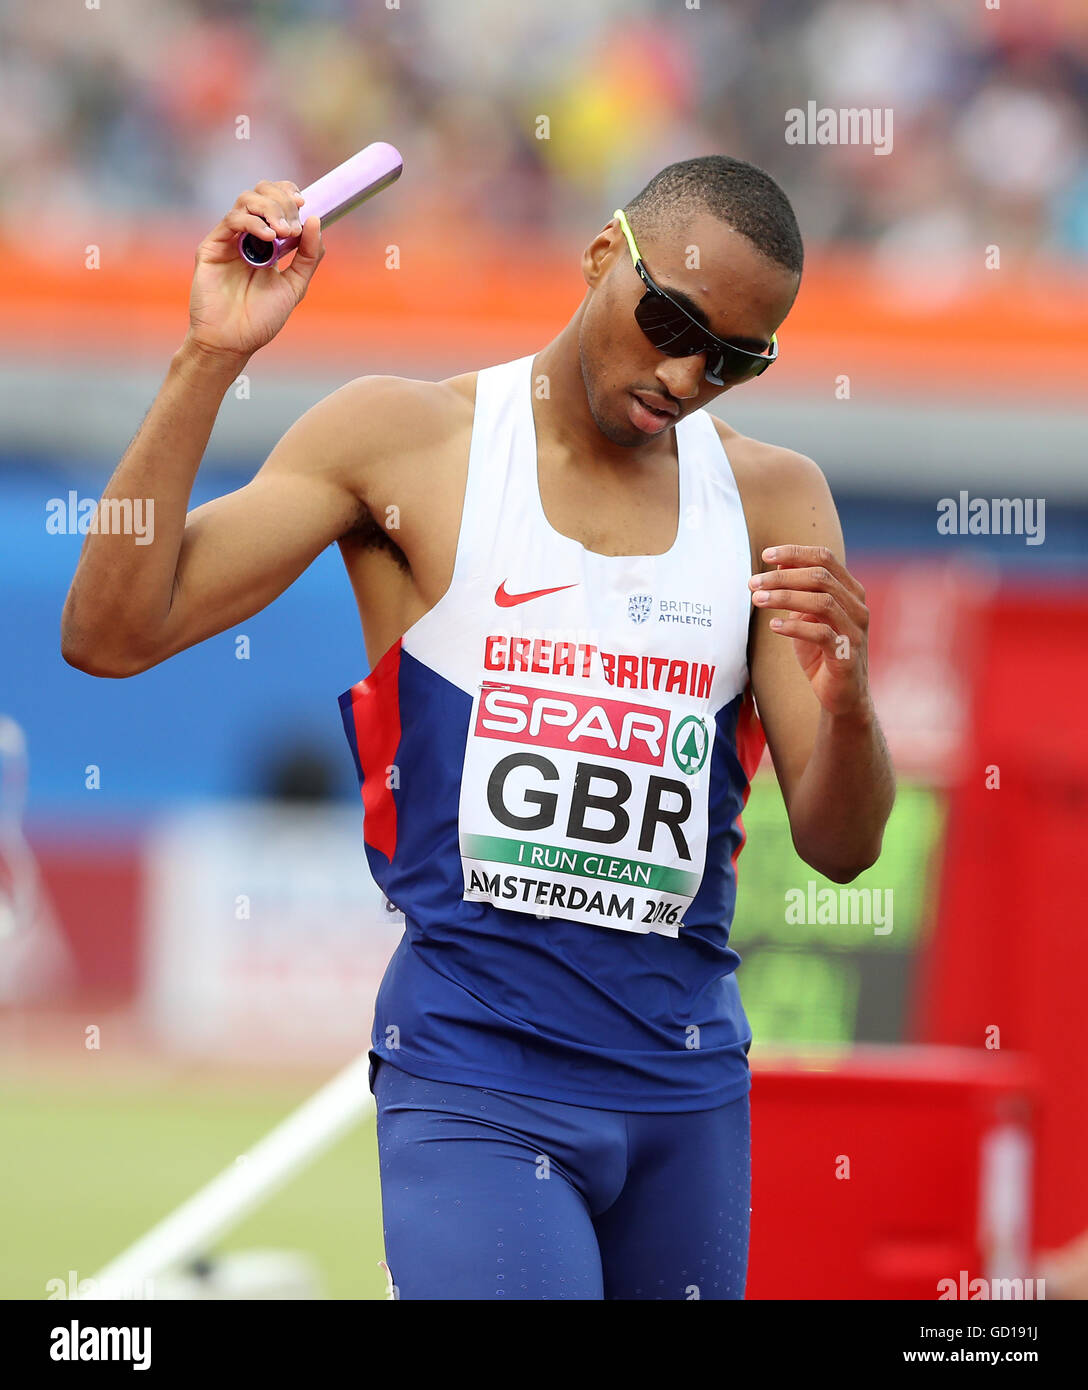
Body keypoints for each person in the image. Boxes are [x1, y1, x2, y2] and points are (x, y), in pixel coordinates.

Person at [62, 155, 895, 1300]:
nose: (683, 372)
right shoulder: (407, 442)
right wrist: (212, 353)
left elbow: (842, 845)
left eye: (733, 359)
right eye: (669, 320)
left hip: (686, 1085)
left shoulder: (772, 500)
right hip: (474, 1074)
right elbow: (110, 632)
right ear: (603, 253)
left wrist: (849, 705)